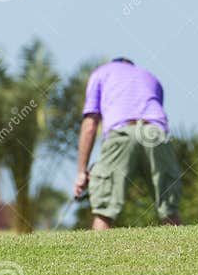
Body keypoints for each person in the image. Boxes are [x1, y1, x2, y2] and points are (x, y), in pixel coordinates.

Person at [73, 57, 182, 230]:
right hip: (155, 132)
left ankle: (97, 256)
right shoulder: (151, 77)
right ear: (130, 65)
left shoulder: (101, 72)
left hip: (122, 132)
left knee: (104, 210)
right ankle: (182, 254)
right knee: (168, 207)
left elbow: (90, 125)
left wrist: (81, 172)